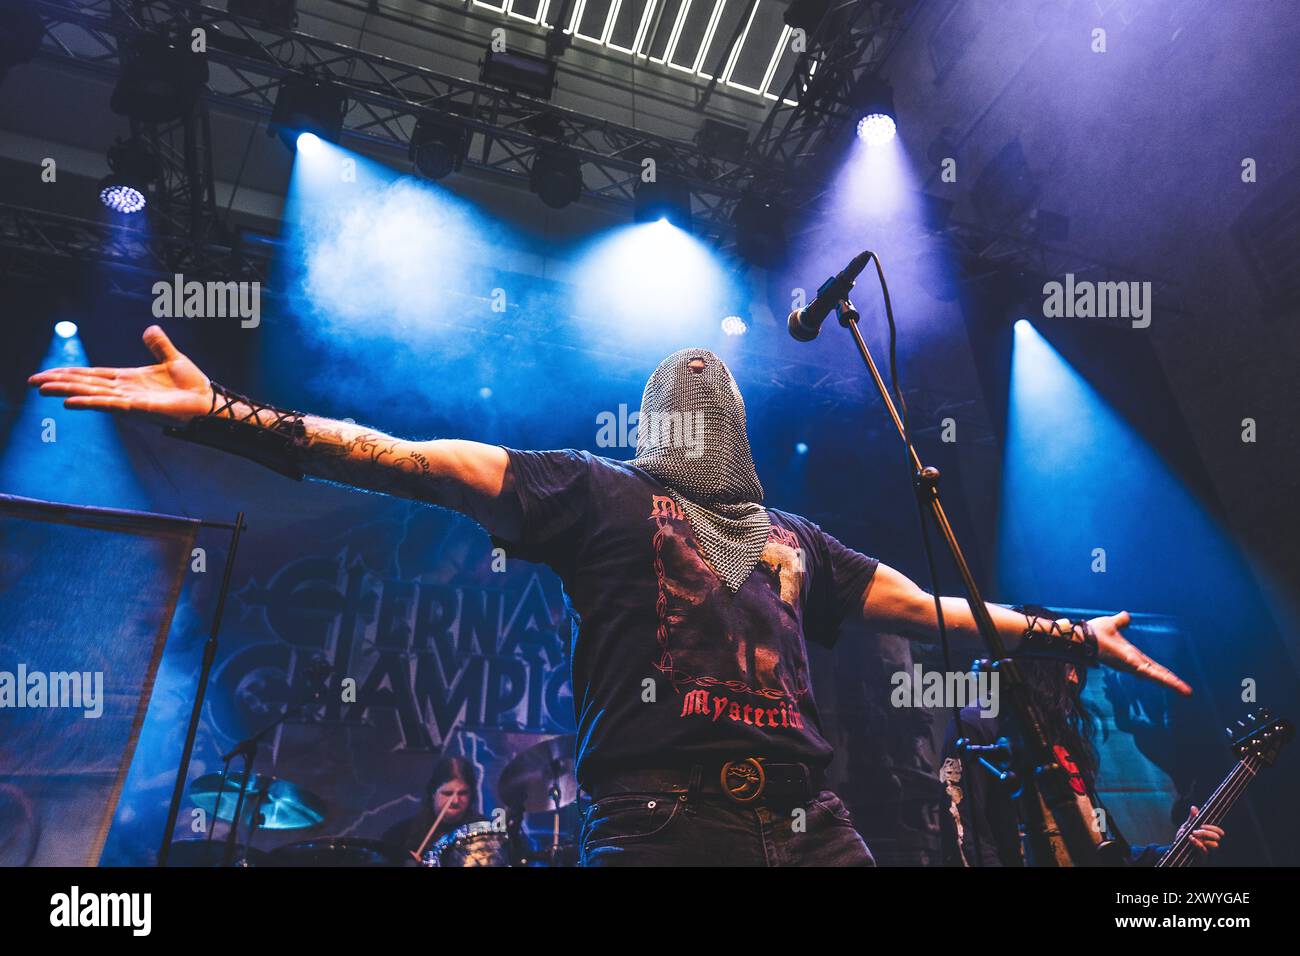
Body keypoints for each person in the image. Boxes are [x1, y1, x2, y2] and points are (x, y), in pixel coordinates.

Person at [29, 329, 1192, 867]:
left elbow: (937, 609)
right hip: (658, 825)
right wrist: (225, 413)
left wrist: (1072, 635)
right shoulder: (589, 491)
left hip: (811, 823)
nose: (705, 398)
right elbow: (404, 458)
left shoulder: (792, 537)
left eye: (718, 393)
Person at [939, 646, 1223, 867]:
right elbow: (966, 838)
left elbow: (1102, 852)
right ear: (1036, 666)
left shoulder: (1057, 739)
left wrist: (1173, 851)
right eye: (1066, 667)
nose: (1074, 679)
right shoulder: (976, 725)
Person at [381, 756, 485, 858]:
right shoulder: (401, 835)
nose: (455, 801)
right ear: (433, 794)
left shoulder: (484, 831)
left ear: (471, 794)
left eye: (463, 793)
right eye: (447, 793)